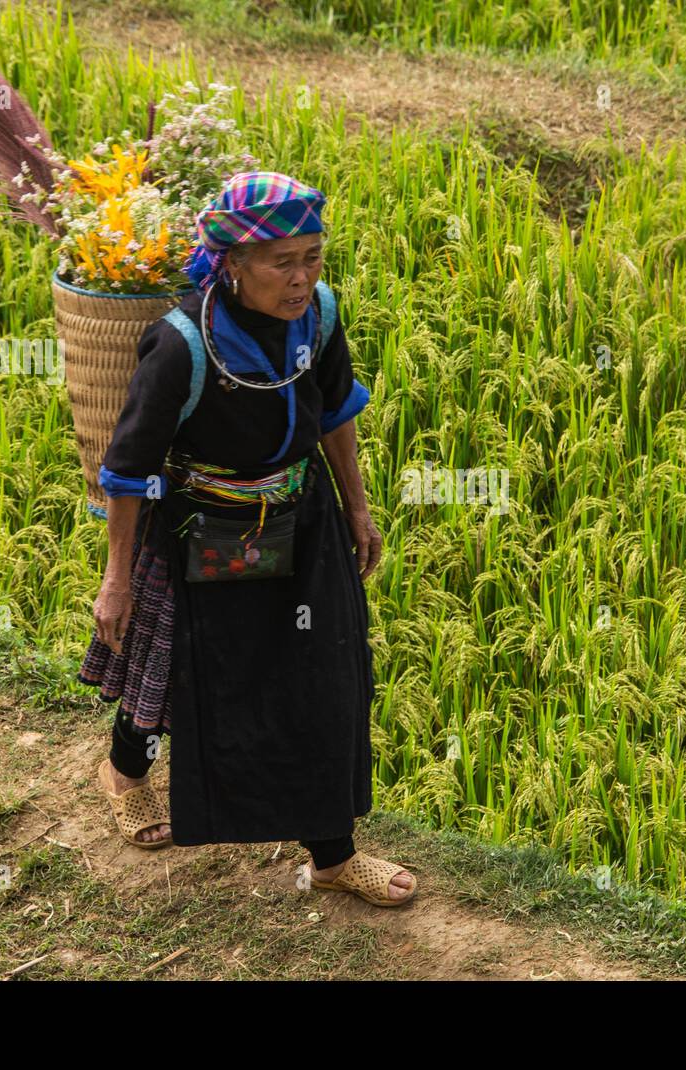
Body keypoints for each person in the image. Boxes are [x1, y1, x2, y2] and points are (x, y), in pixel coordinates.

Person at [76, 171, 416, 906]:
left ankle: (332, 854)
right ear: (231, 263)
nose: (302, 279)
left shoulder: (319, 316)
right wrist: (119, 575)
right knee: (176, 674)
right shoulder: (182, 347)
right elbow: (127, 471)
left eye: (314, 257)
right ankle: (127, 773)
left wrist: (358, 508)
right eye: (281, 262)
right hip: (206, 527)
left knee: (322, 680)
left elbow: (335, 412)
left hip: (305, 516)